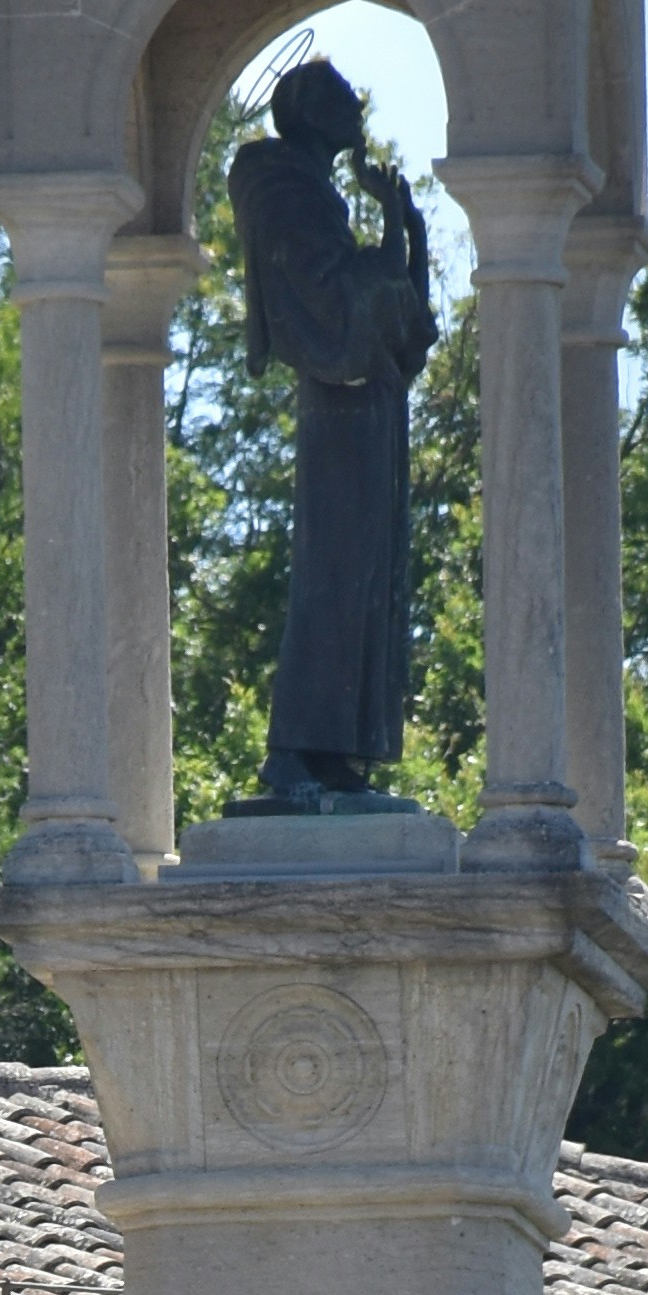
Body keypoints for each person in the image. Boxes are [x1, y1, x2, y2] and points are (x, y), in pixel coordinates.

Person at [226, 61, 434, 809]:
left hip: (368, 403)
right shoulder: (287, 193)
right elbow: (326, 304)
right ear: (314, 114)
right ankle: (292, 754)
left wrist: (402, 228)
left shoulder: (319, 197)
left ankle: (336, 751)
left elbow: (387, 301)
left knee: (370, 576)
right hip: (340, 402)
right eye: (345, 100)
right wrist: (390, 242)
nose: (358, 110)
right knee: (334, 574)